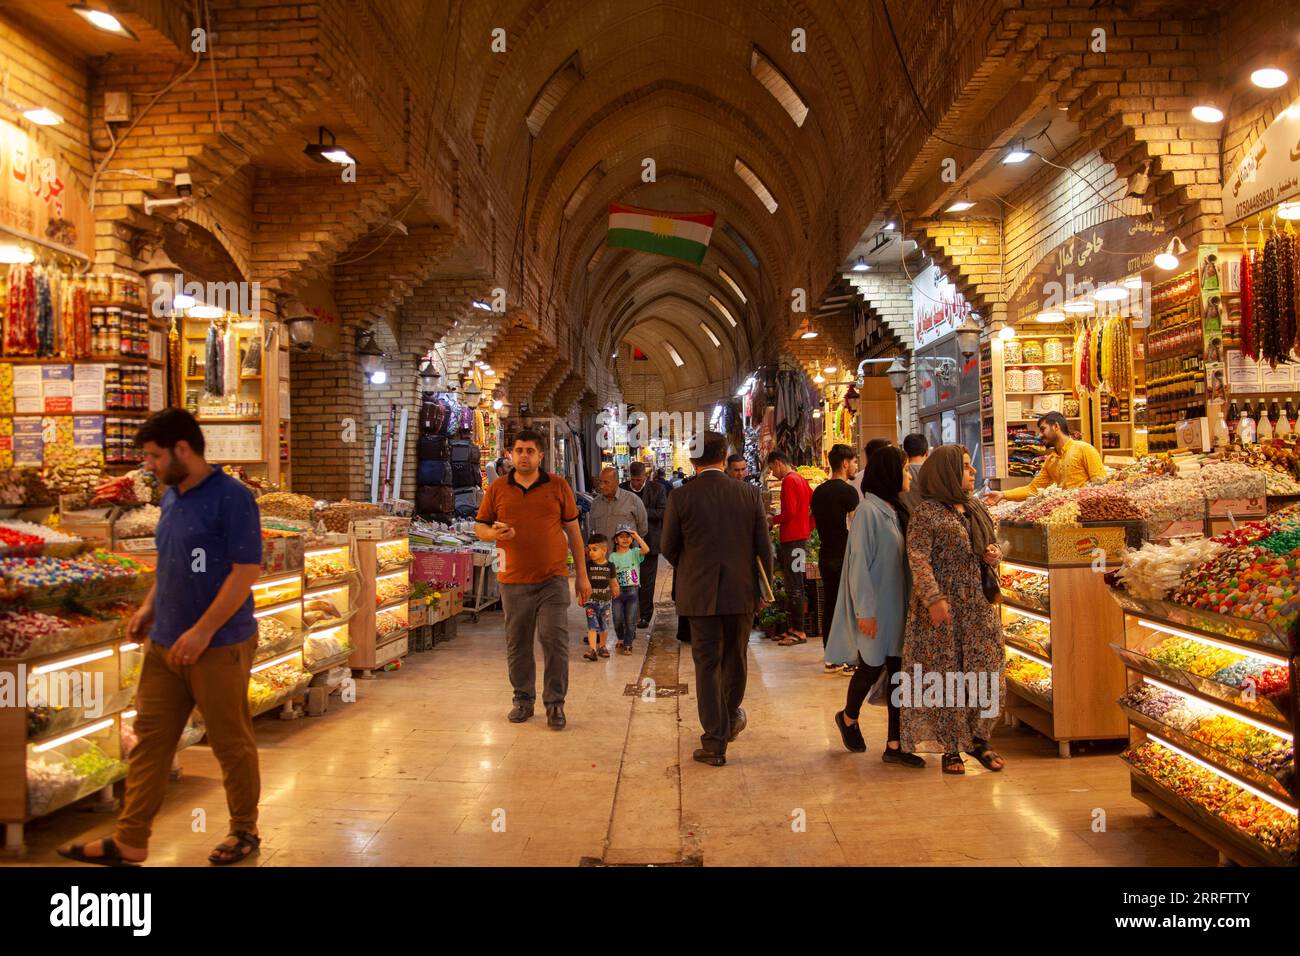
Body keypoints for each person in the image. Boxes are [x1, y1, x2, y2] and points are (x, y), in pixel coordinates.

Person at [59, 408, 264, 866]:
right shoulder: (171, 497)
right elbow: (171, 562)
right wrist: (150, 607)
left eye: (153, 456)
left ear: (183, 450)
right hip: (166, 642)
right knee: (150, 738)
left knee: (230, 742)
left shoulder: (232, 497)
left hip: (221, 644)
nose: (147, 465)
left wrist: (203, 630)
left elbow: (246, 569)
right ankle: (131, 838)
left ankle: (244, 831)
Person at [661, 431, 772, 766]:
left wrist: (692, 566)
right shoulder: (748, 494)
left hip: (698, 593)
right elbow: (762, 547)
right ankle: (730, 716)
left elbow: (668, 546)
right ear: (725, 457)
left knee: (706, 665)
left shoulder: (681, 498)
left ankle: (714, 741)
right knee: (736, 658)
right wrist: (762, 589)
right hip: (741, 592)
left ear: (692, 460)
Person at [475, 428, 591, 730]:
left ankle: (555, 704)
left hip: (552, 578)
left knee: (554, 640)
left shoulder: (558, 486)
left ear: (540, 455)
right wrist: (493, 533)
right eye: (519, 450)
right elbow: (481, 527)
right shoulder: (497, 488)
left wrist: (582, 576)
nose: (523, 455)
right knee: (518, 643)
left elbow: (574, 534)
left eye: (530, 451)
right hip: (512, 580)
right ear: (511, 454)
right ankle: (523, 700)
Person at [901, 444, 1006, 775]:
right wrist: (933, 598)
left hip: (977, 606)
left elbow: (990, 547)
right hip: (943, 609)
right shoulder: (927, 513)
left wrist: (992, 555)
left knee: (984, 669)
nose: (972, 471)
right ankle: (950, 747)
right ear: (946, 472)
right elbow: (918, 557)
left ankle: (979, 739)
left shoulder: (975, 508)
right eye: (965, 466)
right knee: (946, 674)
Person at [827, 446, 924, 767]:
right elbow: (858, 565)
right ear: (889, 473)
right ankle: (849, 717)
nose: (908, 475)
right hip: (876, 609)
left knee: (897, 673)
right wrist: (864, 611)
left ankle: (895, 744)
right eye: (905, 469)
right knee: (870, 667)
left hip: (898, 607)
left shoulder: (895, 509)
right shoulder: (868, 511)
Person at [811, 443, 860, 671]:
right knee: (848, 606)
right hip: (844, 555)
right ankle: (850, 658)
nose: (855, 466)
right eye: (854, 462)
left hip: (825, 555)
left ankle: (830, 655)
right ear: (844, 463)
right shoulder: (848, 492)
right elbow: (855, 524)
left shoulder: (818, 492)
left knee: (830, 604)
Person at [985, 411, 1104, 504]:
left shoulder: (1084, 449)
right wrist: (1003, 495)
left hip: (1088, 514)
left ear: (1056, 427)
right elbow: (1033, 489)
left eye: (1043, 429)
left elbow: (1101, 485)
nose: (1040, 435)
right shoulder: (1051, 461)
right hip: (1067, 514)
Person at [766, 450, 812, 645]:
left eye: (771, 469)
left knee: (794, 586)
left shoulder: (789, 481)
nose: (772, 474)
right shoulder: (801, 479)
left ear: (778, 463)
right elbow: (813, 504)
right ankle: (794, 628)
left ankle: (799, 631)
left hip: (793, 540)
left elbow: (790, 512)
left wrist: (772, 520)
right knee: (796, 583)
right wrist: (807, 528)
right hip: (800, 538)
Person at [621, 461, 666, 627]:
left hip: (649, 543)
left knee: (647, 582)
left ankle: (645, 615)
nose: (636, 483)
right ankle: (629, 614)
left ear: (645, 477)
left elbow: (662, 511)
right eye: (634, 480)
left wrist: (640, 511)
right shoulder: (622, 489)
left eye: (639, 480)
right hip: (626, 544)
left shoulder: (657, 489)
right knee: (627, 580)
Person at [609, 524, 649, 653]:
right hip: (617, 591)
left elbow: (646, 549)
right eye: (621, 537)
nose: (625, 539)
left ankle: (628, 644)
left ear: (632, 539)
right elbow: (610, 575)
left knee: (630, 620)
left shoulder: (635, 553)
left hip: (633, 591)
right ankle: (620, 638)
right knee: (617, 618)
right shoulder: (612, 557)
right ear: (616, 540)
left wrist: (636, 536)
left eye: (628, 536)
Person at [582, 534, 617, 662]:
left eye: (594, 549)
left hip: (606, 602)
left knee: (604, 626)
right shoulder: (588, 566)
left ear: (604, 550)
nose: (591, 553)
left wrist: (615, 588)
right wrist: (581, 596)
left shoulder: (610, 566)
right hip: (591, 601)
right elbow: (583, 582)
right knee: (592, 626)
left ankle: (602, 647)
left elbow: (613, 581)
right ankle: (592, 650)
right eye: (589, 550)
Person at [590, 465, 648, 542]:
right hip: (603, 552)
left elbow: (642, 528)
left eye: (606, 482)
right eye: (600, 481)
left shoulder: (632, 499)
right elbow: (593, 527)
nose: (602, 486)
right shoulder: (596, 503)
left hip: (627, 552)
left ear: (616, 482)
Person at [899, 432, 928, 512]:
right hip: (926, 521)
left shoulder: (898, 472)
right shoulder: (931, 472)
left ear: (905, 452)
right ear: (926, 453)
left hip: (903, 520)